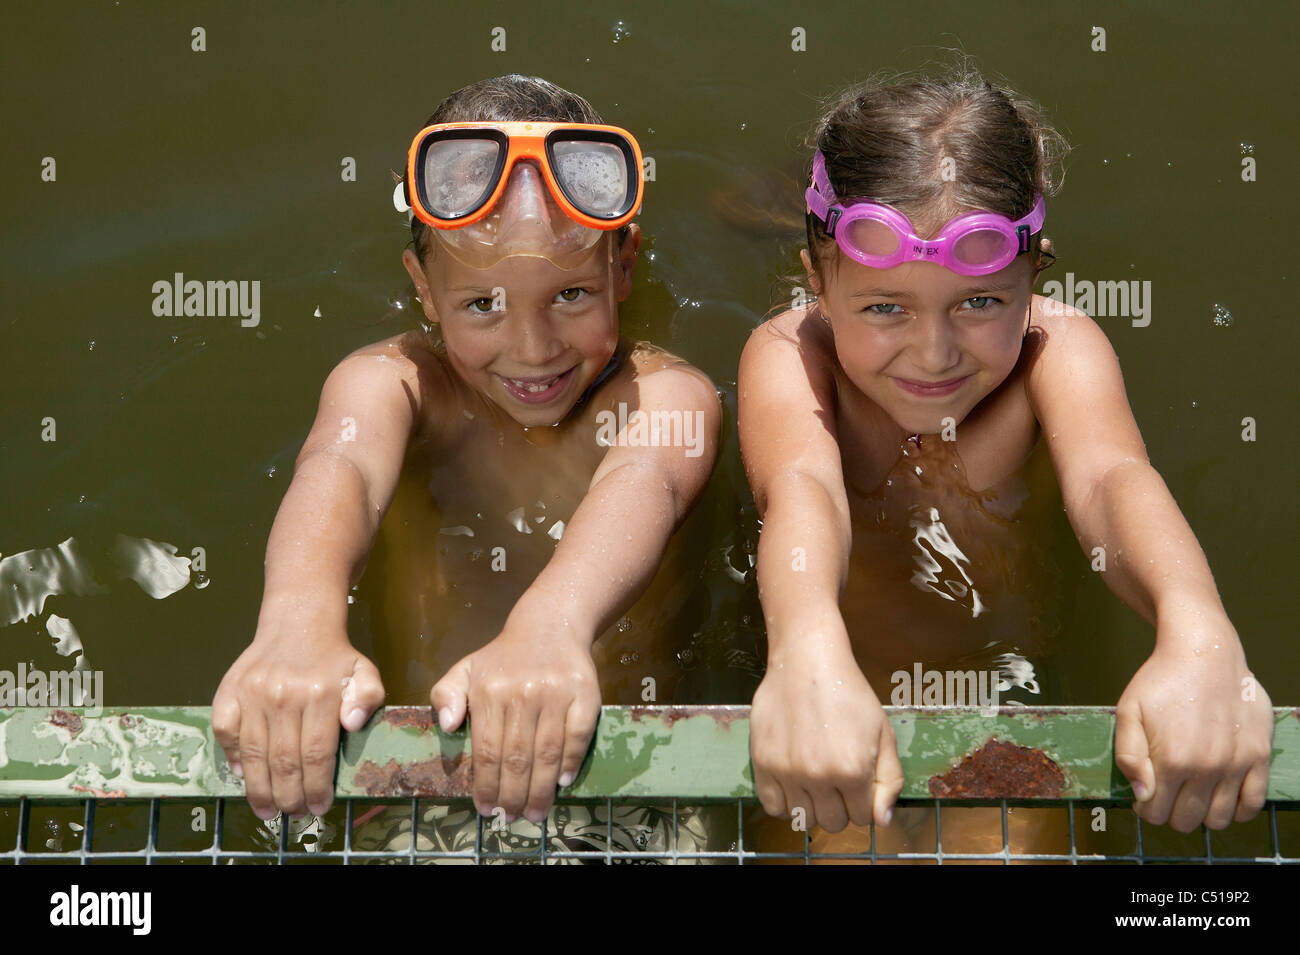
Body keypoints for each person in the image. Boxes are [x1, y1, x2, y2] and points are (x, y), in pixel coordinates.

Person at [737, 66, 1273, 856]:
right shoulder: (791, 352)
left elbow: (1112, 480)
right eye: (886, 307)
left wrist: (1197, 626)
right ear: (817, 278)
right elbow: (803, 487)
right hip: (823, 698)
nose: (934, 352)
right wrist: (807, 648)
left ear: (1034, 269)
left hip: (1005, 708)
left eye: (981, 302)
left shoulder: (1058, 352)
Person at [212, 75, 721, 836]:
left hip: (634, 789)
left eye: (571, 295)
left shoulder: (667, 397)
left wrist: (551, 625)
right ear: (423, 288)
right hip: (422, 788)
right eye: (482, 304)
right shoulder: (396, 385)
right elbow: (339, 467)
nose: (532, 346)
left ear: (624, 264)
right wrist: (296, 621)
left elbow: (644, 477)